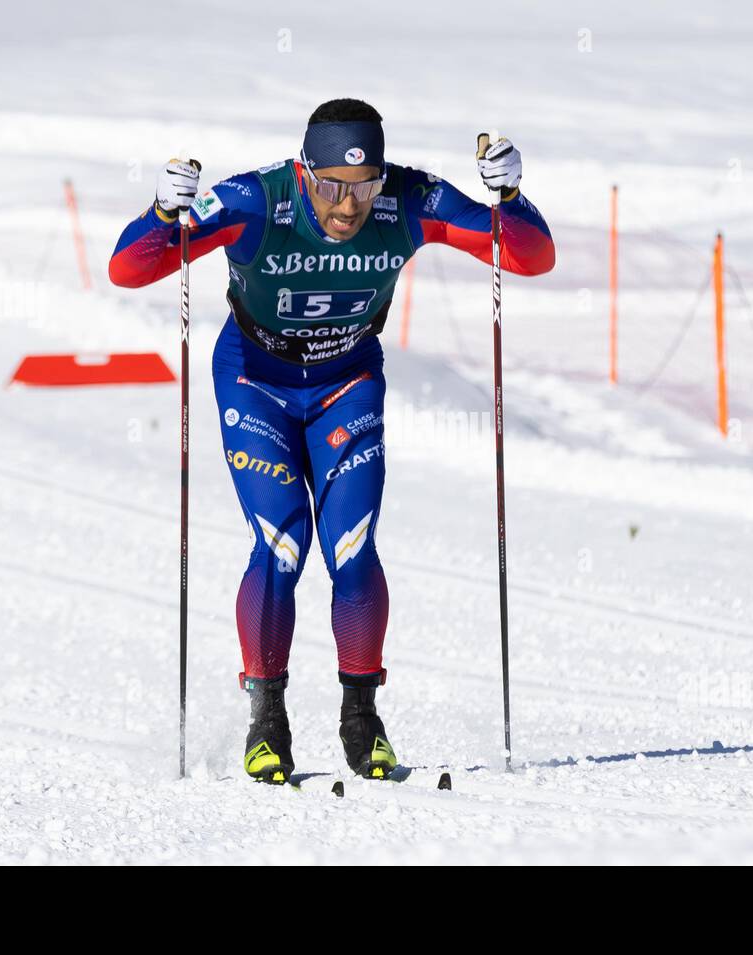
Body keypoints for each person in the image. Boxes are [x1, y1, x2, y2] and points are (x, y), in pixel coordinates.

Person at [109, 98, 554, 783]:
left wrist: (512, 197)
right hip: (255, 381)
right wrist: (163, 215)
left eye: (365, 185)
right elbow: (131, 270)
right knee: (283, 545)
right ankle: (267, 721)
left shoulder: (409, 200)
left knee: (351, 548)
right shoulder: (257, 202)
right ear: (304, 170)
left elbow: (528, 257)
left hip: (346, 384)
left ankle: (361, 718)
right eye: (331, 186)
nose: (349, 205)